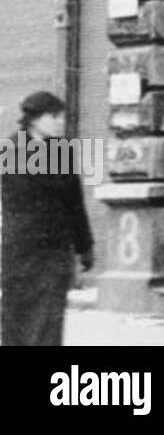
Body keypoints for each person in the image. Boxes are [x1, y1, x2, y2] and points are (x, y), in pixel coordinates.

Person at [0, 91, 94, 346]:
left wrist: (85, 246)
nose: (59, 122)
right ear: (35, 119)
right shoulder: (12, 149)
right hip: (22, 249)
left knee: (50, 320)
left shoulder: (61, 150)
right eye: (53, 116)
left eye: (61, 116)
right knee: (18, 317)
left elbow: (75, 201)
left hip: (54, 251)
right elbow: (24, 195)